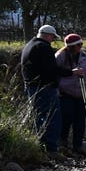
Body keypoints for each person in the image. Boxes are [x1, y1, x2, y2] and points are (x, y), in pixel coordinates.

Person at [20, 24, 72, 156]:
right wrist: (71, 72)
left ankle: (40, 146)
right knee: (53, 118)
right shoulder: (43, 47)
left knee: (39, 117)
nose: (53, 40)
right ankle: (51, 148)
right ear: (48, 35)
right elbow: (52, 69)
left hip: (31, 86)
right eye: (53, 38)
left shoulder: (29, 45)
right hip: (44, 87)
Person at [55, 34, 86, 156]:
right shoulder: (60, 56)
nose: (81, 47)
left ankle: (78, 145)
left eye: (81, 44)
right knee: (66, 118)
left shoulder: (84, 56)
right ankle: (63, 143)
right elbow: (54, 73)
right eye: (78, 45)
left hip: (83, 93)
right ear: (71, 46)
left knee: (80, 120)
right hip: (66, 93)